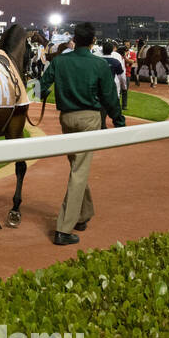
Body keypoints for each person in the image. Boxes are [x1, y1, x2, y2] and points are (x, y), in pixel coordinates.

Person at [38, 22, 125, 246]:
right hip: (89, 119)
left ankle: (84, 213)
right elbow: (109, 96)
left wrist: (45, 92)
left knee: (78, 167)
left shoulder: (59, 61)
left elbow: (40, 87)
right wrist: (118, 120)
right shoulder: (98, 64)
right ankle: (63, 229)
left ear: (74, 39)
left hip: (66, 119)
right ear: (93, 41)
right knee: (79, 170)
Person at [98, 43, 125, 128]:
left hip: (100, 88)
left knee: (102, 107)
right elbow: (122, 77)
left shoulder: (97, 61)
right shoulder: (116, 61)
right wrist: (124, 87)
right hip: (112, 88)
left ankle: (102, 124)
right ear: (112, 50)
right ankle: (119, 125)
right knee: (115, 109)